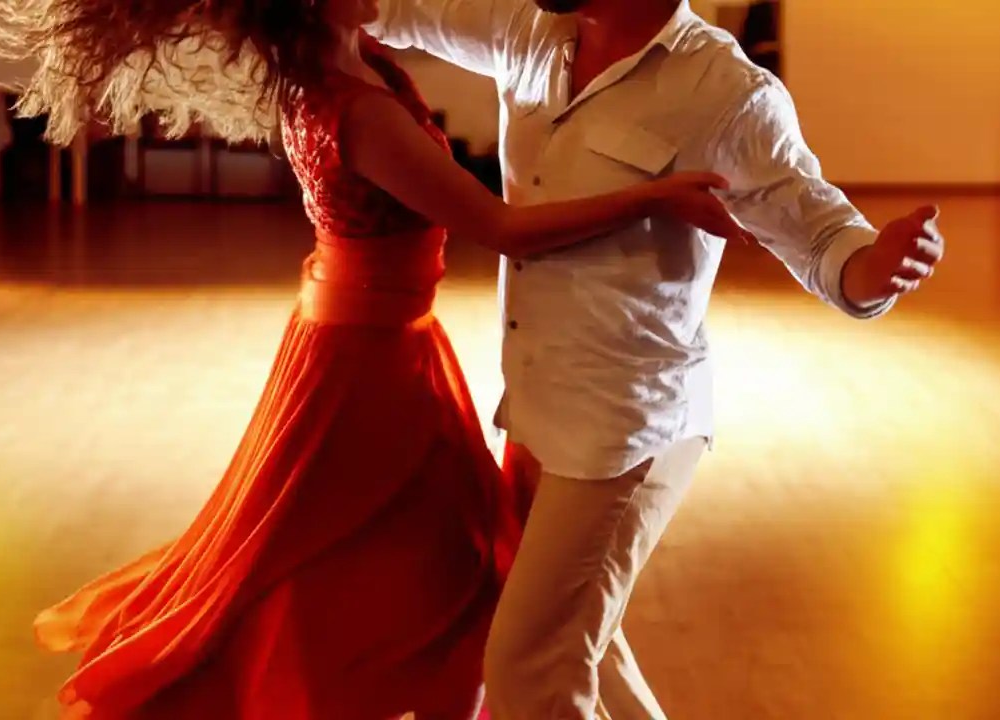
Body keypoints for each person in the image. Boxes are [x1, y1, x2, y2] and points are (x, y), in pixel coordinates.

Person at [0, 0, 754, 716]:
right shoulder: (358, 110)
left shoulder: (346, 64)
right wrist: (653, 195)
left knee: (435, 569)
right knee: (393, 569)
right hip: (368, 362)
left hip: (368, 336)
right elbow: (504, 228)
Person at [366, 0, 947, 717]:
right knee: (589, 652)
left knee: (529, 665)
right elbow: (395, 11)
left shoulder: (728, 92)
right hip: (539, 407)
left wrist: (879, 266)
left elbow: (828, 241)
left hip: (626, 430)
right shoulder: (528, 30)